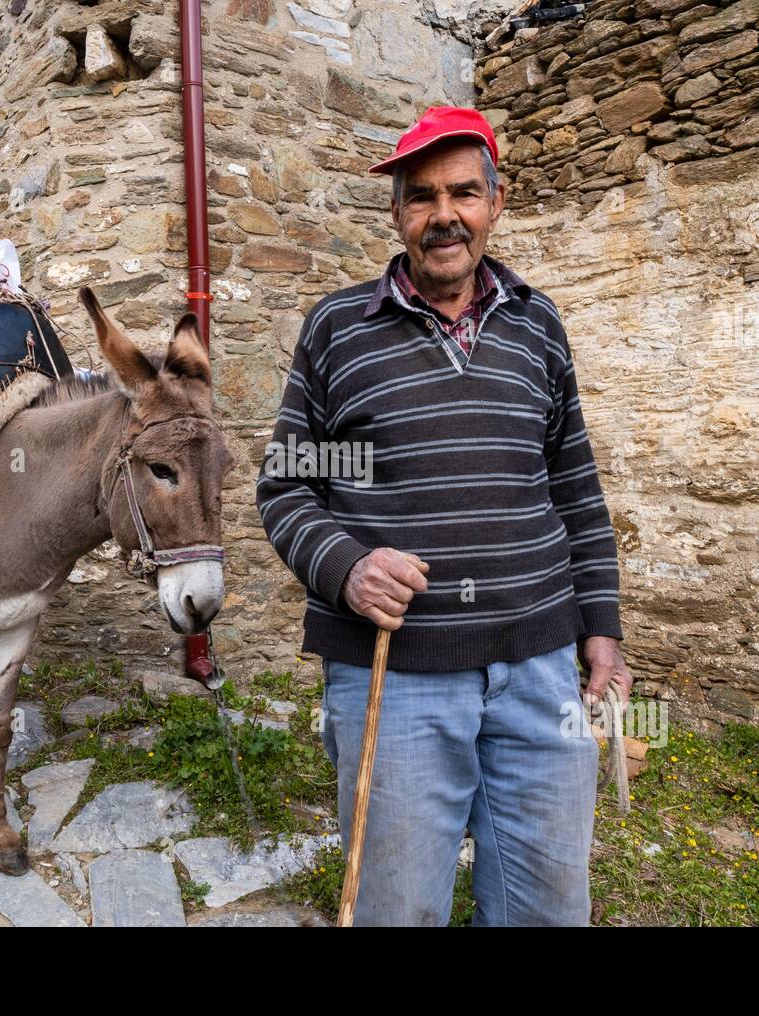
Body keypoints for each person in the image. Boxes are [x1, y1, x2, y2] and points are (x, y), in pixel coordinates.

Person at [255, 106, 633, 926]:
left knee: (549, 905)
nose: (443, 216)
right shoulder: (338, 331)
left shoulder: (539, 325)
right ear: (397, 213)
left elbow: (574, 484)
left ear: (496, 203)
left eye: (464, 193)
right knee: (398, 907)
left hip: (539, 670)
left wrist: (600, 625)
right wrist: (347, 566)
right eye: (420, 196)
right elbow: (286, 485)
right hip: (394, 678)